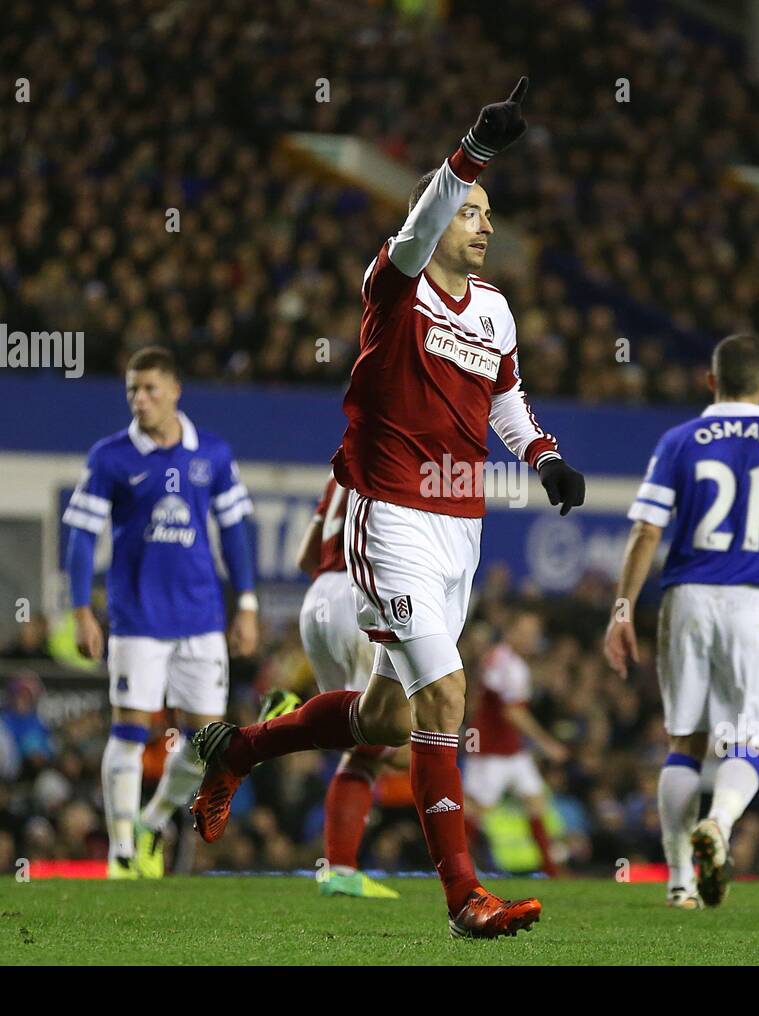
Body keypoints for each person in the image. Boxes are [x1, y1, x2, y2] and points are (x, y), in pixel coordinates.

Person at [191, 79, 586, 938]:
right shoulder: (395, 284)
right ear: (436, 221)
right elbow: (419, 224)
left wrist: (545, 458)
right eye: (472, 211)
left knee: (386, 718)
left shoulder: (496, 310)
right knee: (446, 697)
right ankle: (463, 899)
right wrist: (469, 154)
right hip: (394, 518)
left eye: (488, 214)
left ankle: (241, 750)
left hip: (462, 530)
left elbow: (507, 404)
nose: (485, 224)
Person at [604, 334, 759, 908]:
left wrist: (622, 608)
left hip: (687, 596)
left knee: (685, 739)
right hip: (757, 601)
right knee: (745, 740)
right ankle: (720, 826)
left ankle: (680, 881)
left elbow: (647, 531)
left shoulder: (680, 440)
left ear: (711, 381)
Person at [62, 345, 258, 879]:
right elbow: (80, 535)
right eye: (132, 390)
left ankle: (151, 821)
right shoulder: (110, 456)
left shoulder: (212, 454)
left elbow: (236, 532)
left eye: (150, 389)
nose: (140, 400)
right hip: (137, 619)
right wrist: (81, 609)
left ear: (175, 391)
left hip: (200, 618)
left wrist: (246, 604)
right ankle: (122, 851)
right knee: (129, 729)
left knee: (205, 740)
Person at [294, 469, 404, 899]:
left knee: (357, 738)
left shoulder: (339, 467)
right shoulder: (402, 452)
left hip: (318, 596)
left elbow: (305, 556)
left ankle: (340, 867)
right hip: (361, 595)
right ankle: (285, 724)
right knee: (373, 738)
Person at [464, 610, 568, 876]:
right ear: (510, 631)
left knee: (535, 801)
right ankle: (455, 868)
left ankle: (551, 870)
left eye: (534, 633)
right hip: (490, 750)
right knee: (476, 809)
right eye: (525, 631)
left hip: (512, 749)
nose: (531, 638)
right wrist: (547, 744)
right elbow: (512, 712)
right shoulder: (507, 663)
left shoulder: (505, 660)